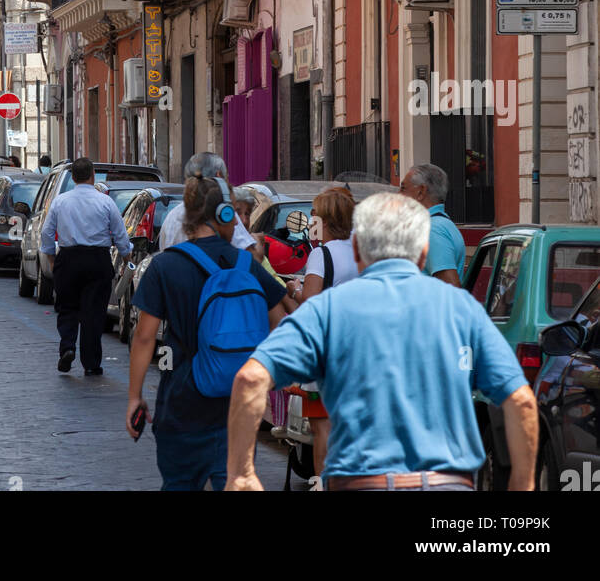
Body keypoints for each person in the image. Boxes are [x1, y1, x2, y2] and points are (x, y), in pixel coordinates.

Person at [225, 192, 538, 492]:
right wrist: (522, 483)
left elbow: (251, 378)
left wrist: (241, 472)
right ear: (424, 251)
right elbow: (521, 400)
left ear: (358, 248)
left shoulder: (328, 309)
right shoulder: (461, 308)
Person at [128, 171, 290, 491]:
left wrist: (135, 398)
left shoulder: (165, 265)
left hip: (181, 404)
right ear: (224, 214)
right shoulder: (246, 264)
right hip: (238, 406)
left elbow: (144, 337)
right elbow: (279, 321)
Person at [40, 156, 132, 376]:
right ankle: (91, 363)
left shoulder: (61, 201)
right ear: (93, 176)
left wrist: (52, 260)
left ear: (72, 177)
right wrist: (128, 257)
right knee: (93, 313)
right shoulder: (105, 201)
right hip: (97, 260)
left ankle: (68, 346)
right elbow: (120, 235)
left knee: (67, 308)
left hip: (68, 259)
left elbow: (46, 233)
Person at [297, 185, 358, 472]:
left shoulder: (322, 255)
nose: (310, 222)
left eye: (314, 216)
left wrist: (294, 290)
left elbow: (311, 302)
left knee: (323, 428)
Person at [159, 153, 256, 253]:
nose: (236, 221)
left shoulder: (171, 216)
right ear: (219, 176)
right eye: (227, 177)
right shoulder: (224, 212)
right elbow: (250, 255)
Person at [400, 163, 466, 286]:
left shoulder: (431, 229)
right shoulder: (440, 224)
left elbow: (451, 289)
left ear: (421, 192)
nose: (398, 195)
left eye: (403, 188)